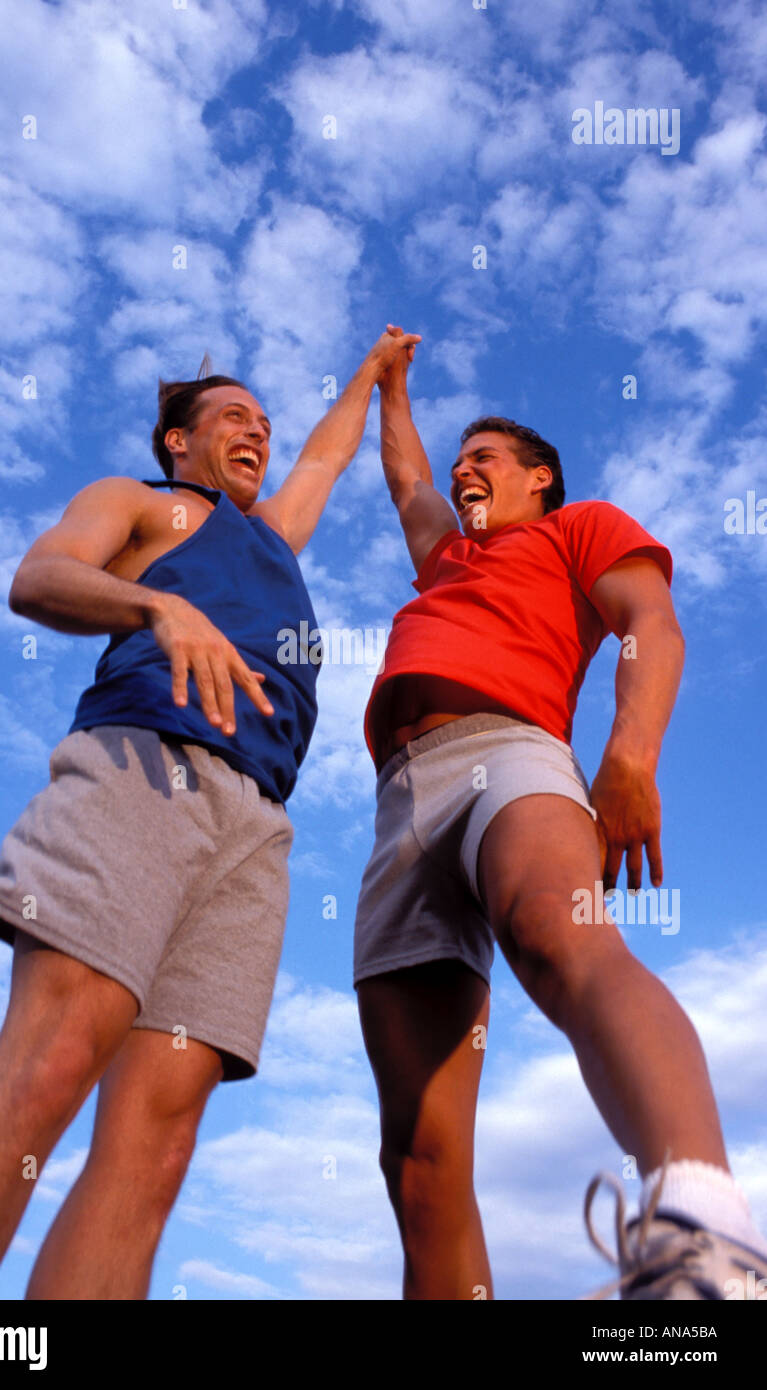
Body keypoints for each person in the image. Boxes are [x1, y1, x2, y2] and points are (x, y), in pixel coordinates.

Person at [0, 328, 420, 1301]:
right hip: (144, 763)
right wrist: (156, 611)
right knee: (51, 1060)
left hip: (256, 821)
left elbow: (326, 454)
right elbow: (39, 576)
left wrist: (376, 374)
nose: (256, 431)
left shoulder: (272, 537)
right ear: (176, 440)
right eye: (232, 416)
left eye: (264, 422)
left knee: (157, 1146)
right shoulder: (145, 503)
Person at [354, 326, 767, 1300]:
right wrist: (390, 386)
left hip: (512, 755)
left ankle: (708, 1235)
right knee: (415, 1152)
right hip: (399, 804)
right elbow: (405, 474)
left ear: (541, 478)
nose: (463, 470)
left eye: (485, 458)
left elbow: (650, 625)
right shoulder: (447, 556)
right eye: (460, 460)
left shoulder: (575, 529)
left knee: (554, 931)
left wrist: (628, 756)